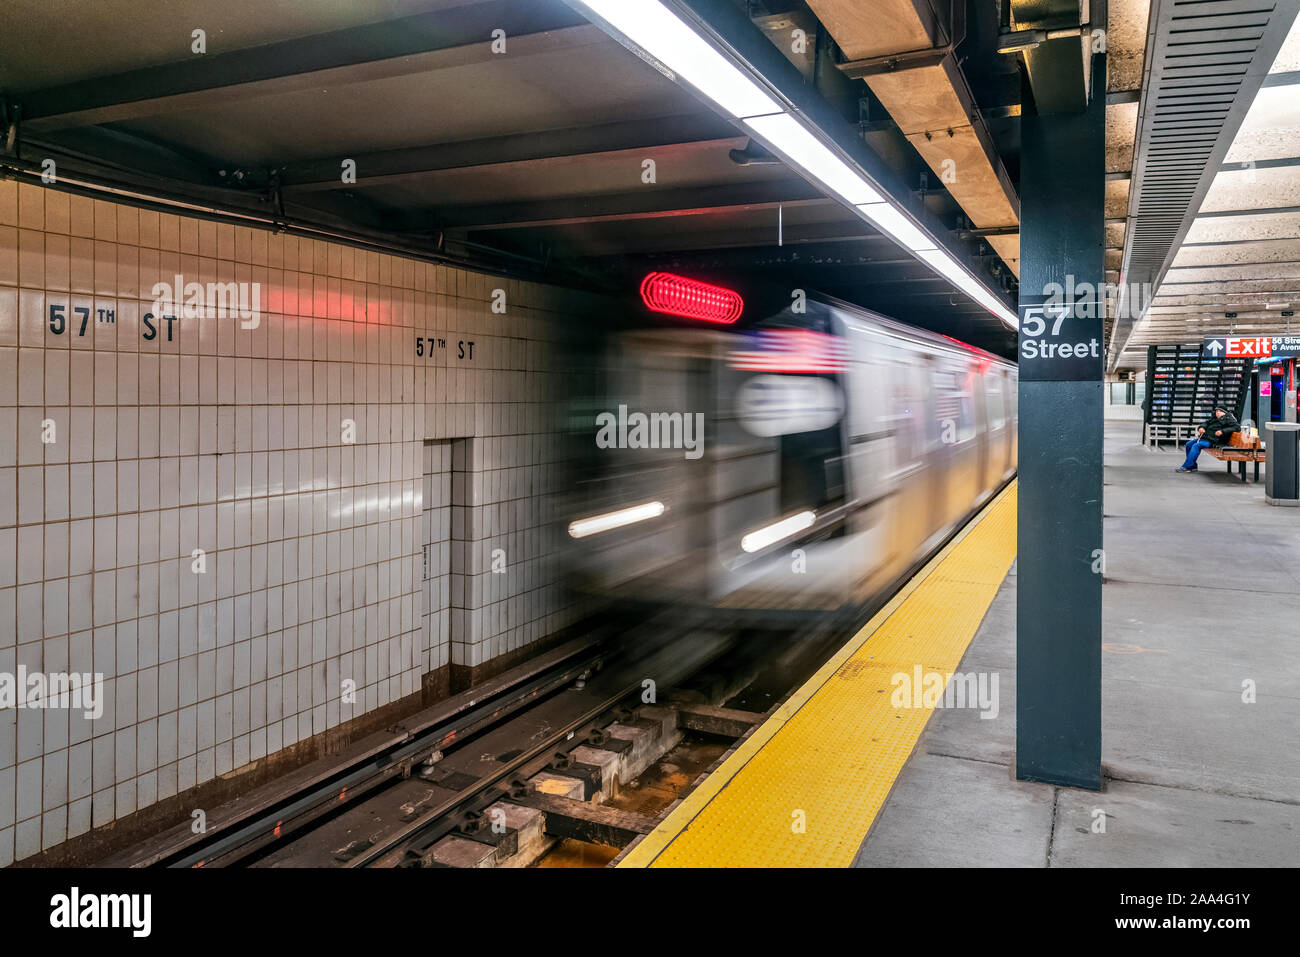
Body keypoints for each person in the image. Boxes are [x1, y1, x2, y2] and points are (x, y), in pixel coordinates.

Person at [1177, 406, 1241, 472]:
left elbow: (1237, 427)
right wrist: (1201, 427)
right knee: (1188, 444)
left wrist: (1222, 431)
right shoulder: (1214, 418)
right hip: (1205, 437)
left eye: (1220, 411)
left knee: (1196, 446)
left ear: (1225, 412)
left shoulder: (1229, 418)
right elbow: (1206, 423)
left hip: (1215, 441)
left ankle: (1187, 466)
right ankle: (1192, 466)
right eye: (1216, 411)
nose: (1218, 413)